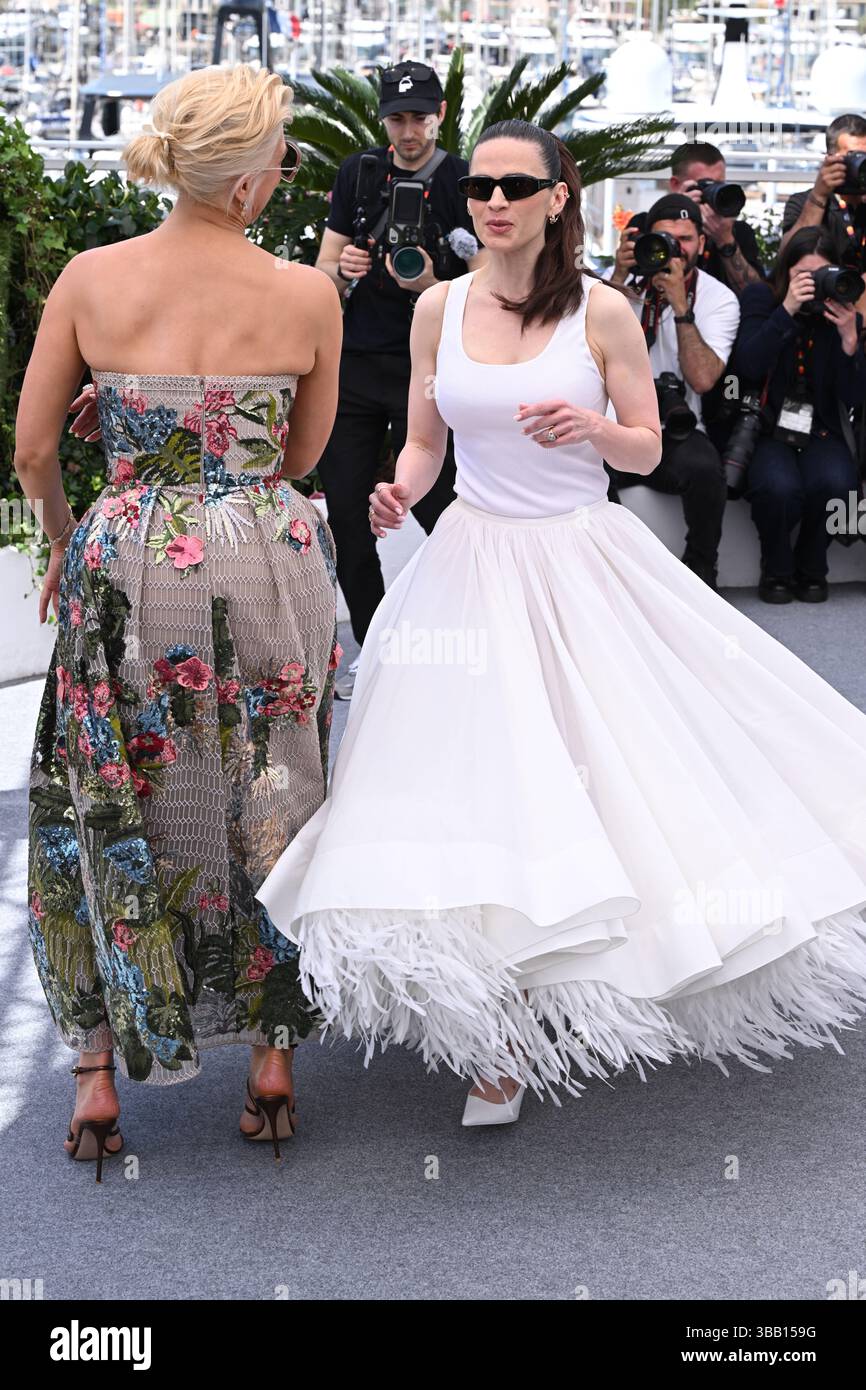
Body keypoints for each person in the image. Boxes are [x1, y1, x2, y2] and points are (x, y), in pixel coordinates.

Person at [255, 119, 866, 1128]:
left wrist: (590, 428)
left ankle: (593, 988)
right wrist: (398, 494)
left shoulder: (599, 312)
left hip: (581, 562)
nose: (491, 199)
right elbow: (421, 440)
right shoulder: (436, 309)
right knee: (477, 788)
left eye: (513, 184)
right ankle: (491, 1040)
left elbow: (640, 449)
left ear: (554, 198)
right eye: (480, 184)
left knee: (617, 777)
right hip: (467, 568)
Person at [15, 64, 343, 1178]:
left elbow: (31, 449)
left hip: (123, 555)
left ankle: (101, 1072)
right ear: (253, 178)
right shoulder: (305, 293)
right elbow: (301, 457)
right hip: (262, 548)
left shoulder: (92, 277)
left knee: (102, 781)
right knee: (275, 784)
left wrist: (72, 537)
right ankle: (269, 1059)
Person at [315, 59, 488, 698]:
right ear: (382, 118)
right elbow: (324, 272)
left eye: (419, 117)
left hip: (431, 366)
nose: (409, 131)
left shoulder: (469, 180)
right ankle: (378, 646)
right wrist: (348, 267)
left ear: (440, 115)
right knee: (346, 514)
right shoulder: (358, 174)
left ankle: (470, 634)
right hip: (358, 366)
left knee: (445, 509)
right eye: (397, 118)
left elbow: (493, 290)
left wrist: (431, 289)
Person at [606, 193, 741, 589]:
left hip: (676, 428)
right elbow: (581, 353)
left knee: (706, 474)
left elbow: (702, 380)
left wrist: (682, 308)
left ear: (701, 242)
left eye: (684, 239)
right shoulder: (616, 289)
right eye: (664, 239)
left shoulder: (718, 298)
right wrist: (616, 278)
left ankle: (700, 575)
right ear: (643, 239)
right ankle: (614, 578)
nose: (674, 249)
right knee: (575, 467)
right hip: (614, 424)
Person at [730, 225, 866, 604]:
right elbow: (748, 366)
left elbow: (854, 397)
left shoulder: (843, 309)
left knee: (837, 485)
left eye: (822, 274)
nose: (812, 283)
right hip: (770, 428)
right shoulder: (762, 298)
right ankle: (776, 567)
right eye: (802, 275)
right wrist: (787, 310)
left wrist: (849, 342)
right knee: (778, 488)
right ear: (786, 270)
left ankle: (812, 564)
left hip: (824, 430)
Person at [614, 142, 764, 296]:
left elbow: (756, 297)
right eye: (704, 186)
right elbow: (626, 289)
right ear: (675, 184)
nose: (712, 193)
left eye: (719, 186)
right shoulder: (645, 226)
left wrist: (726, 242)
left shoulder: (736, 231)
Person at [779, 114, 866, 280]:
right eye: (854, 157)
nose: (861, 165)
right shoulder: (804, 202)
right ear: (830, 158)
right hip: (819, 295)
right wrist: (819, 194)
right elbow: (787, 257)